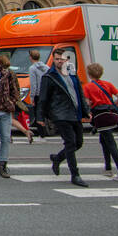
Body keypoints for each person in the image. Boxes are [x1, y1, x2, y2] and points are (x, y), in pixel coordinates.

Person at [35, 47, 90, 188]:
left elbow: (80, 94)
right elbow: (43, 98)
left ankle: (57, 158)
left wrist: (86, 110)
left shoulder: (72, 74)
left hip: (75, 113)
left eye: (62, 59)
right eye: (57, 59)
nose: (59, 61)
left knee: (78, 142)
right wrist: (40, 117)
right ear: (54, 60)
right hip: (60, 114)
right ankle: (75, 174)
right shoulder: (49, 76)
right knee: (70, 143)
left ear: (67, 60)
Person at [85, 63, 118, 182]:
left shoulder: (88, 87)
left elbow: (88, 103)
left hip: (100, 117)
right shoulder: (108, 84)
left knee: (110, 143)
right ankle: (108, 168)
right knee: (104, 140)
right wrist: (114, 105)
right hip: (111, 115)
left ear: (89, 73)